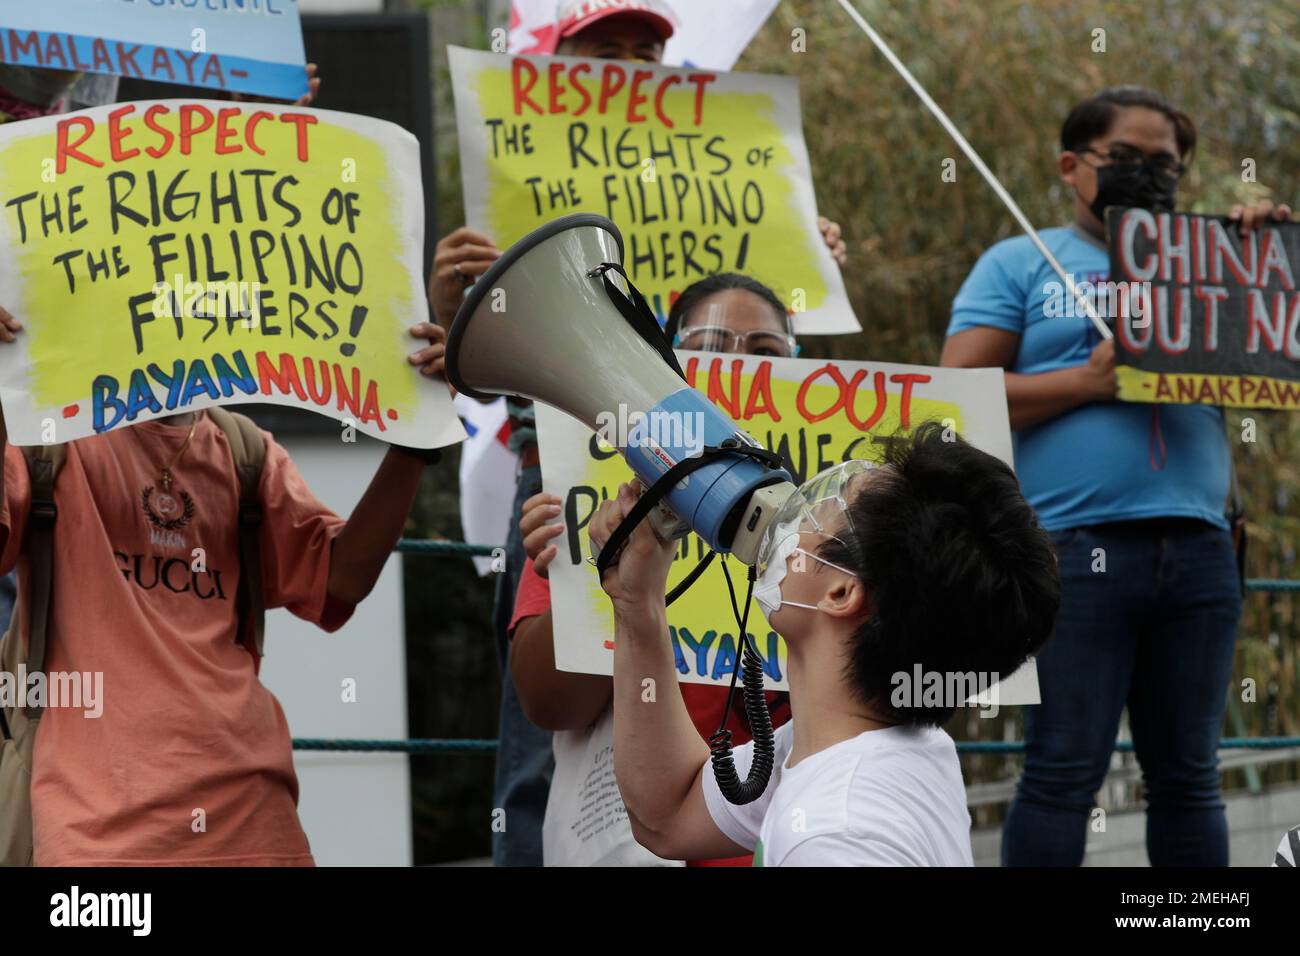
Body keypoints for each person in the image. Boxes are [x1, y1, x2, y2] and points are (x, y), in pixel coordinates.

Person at [432, 0, 847, 867]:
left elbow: (765, 328)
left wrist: (802, 264)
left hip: (730, 467)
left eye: (645, 50)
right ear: (554, 63)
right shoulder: (521, 170)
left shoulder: (717, 176)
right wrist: (461, 307)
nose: (629, 64)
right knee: (543, 738)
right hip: (572, 456)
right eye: (604, 48)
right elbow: (463, 358)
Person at [940, 86, 1294, 866]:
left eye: (1166, 164)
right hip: (1071, 552)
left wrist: (1269, 256)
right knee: (1064, 769)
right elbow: (956, 398)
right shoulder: (1020, 262)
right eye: (1124, 159)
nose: (1148, 176)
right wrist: (1087, 384)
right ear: (1073, 166)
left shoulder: (1218, 264)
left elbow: (1279, 351)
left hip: (1203, 551)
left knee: (1189, 777)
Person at [585, 423, 1059, 866]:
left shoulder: (838, 838)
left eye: (826, 508)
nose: (792, 517)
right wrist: (637, 602)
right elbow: (667, 813)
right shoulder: (874, 745)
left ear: (841, 592)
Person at [510, 273, 797, 865]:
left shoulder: (824, 522)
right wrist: (587, 583)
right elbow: (547, 704)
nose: (739, 367)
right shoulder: (587, 495)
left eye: (767, 352)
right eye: (711, 346)